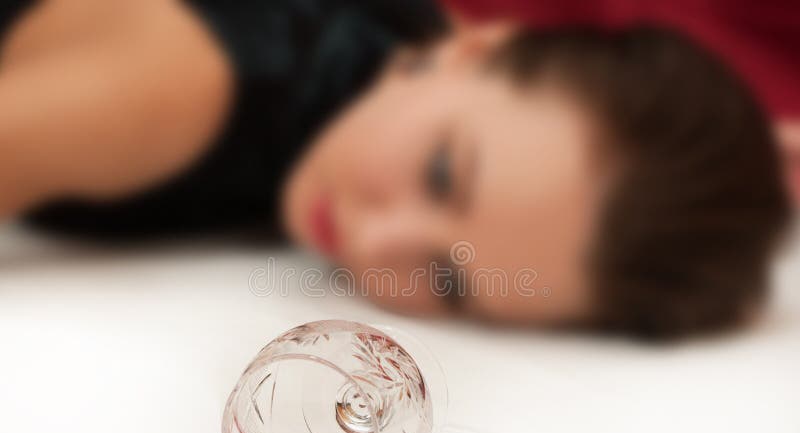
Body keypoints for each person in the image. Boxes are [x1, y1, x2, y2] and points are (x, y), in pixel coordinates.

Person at [0, 0, 793, 339]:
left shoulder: (417, 59)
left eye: (448, 281)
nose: (378, 239)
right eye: (445, 173)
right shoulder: (185, 85)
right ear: (479, 46)